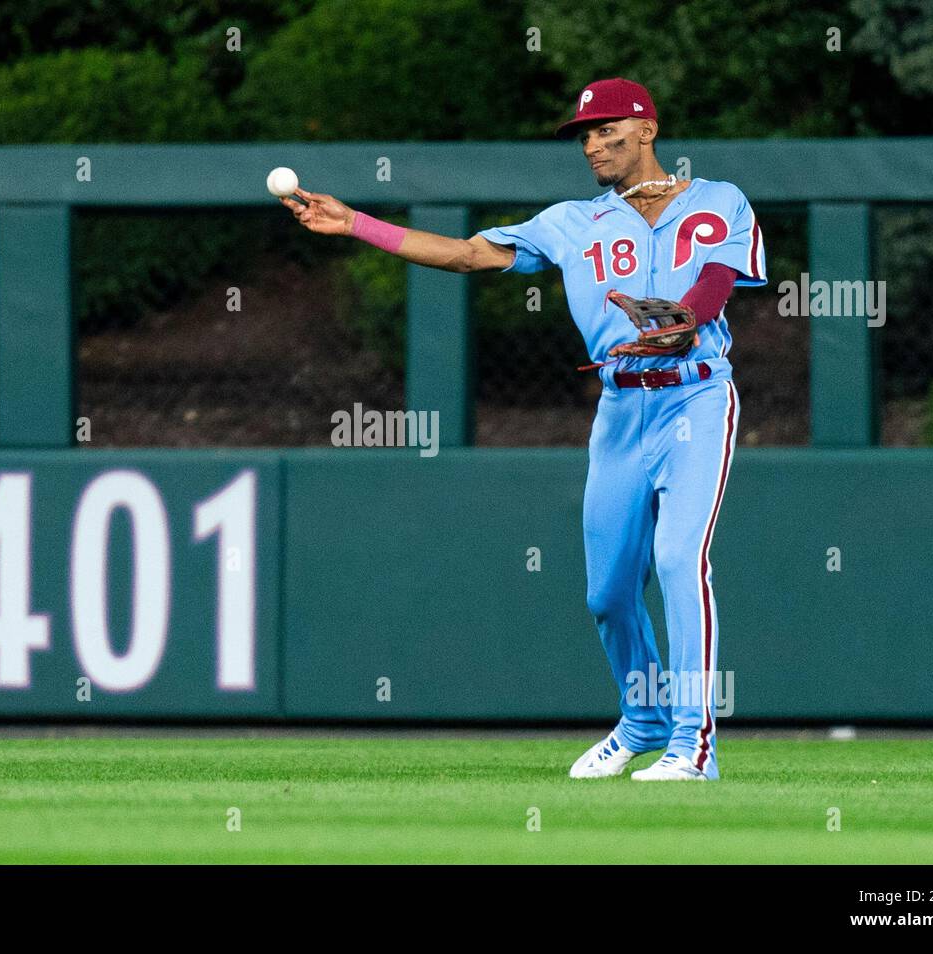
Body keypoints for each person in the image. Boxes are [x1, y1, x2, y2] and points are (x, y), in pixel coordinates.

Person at [282, 77, 766, 780]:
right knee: (607, 593)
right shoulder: (571, 221)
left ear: (648, 129)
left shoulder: (720, 199)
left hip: (696, 401)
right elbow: (468, 254)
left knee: (678, 561)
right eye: (585, 134)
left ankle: (693, 743)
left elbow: (717, 282)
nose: (594, 142)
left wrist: (684, 319)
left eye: (607, 128)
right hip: (621, 409)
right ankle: (642, 722)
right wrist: (358, 223)